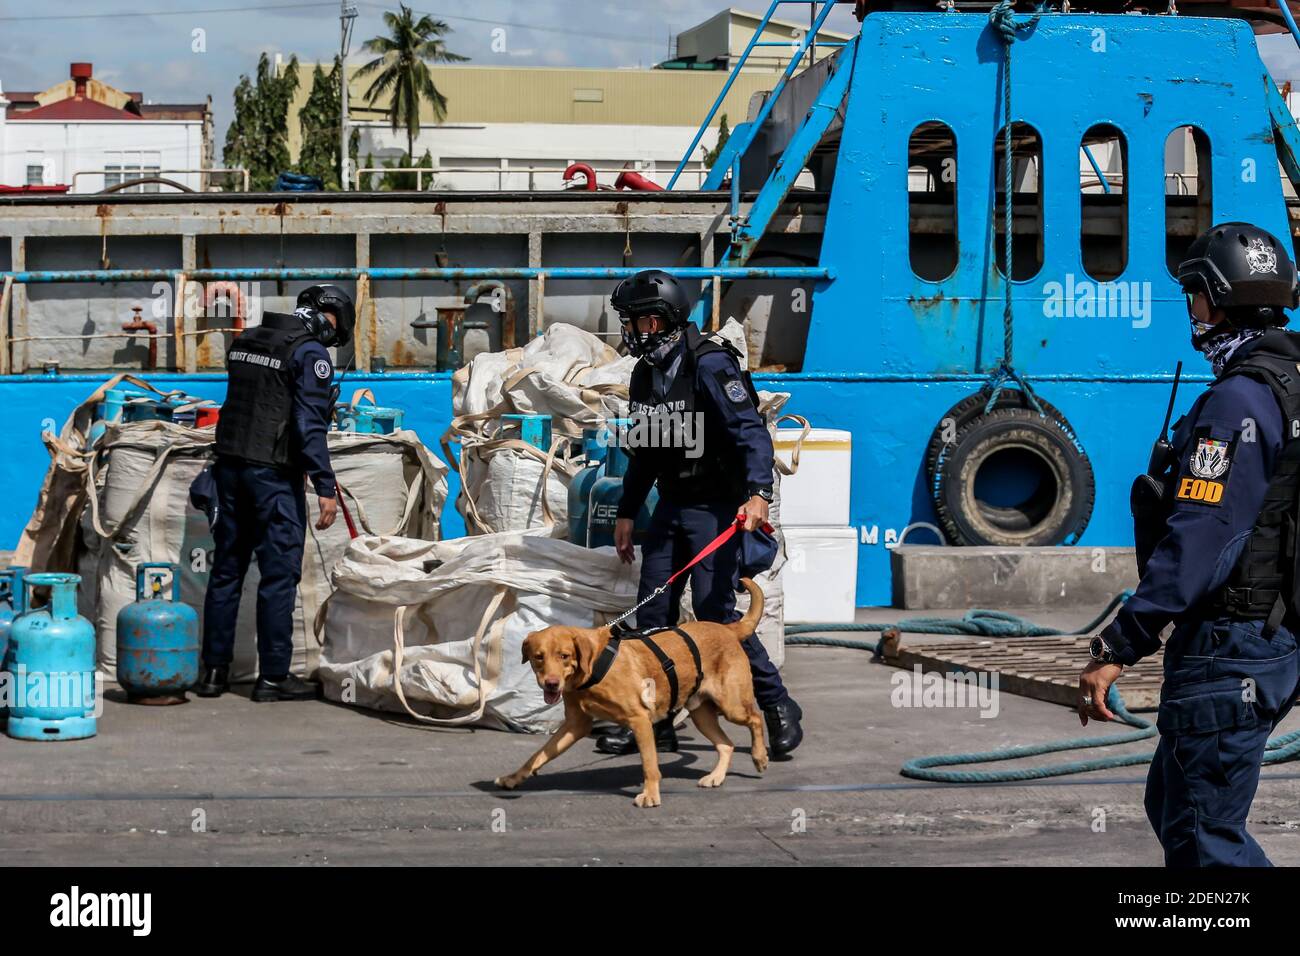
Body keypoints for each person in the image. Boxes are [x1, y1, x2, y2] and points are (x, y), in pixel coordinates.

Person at [1078, 222, 1300, 866]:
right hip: (1275, 640)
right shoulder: (1290, 386)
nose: (1192, 313)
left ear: (1218, 301)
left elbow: (1202, 538)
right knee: (1177, 805)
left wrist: (1120, 643)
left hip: (1229, 648)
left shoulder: (1237, 402)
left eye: (1195, 297)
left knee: (1205, 836)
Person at [596, 269, 804, 758]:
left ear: (665, 320)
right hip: (671, 504)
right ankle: (654, 717)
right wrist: (628, 511)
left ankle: (776, 706)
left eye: (640, 322)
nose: (633, 333)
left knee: (715, 617)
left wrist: (759, 493)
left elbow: (750, 432)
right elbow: (646, 450)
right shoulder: (646, 374)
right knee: (652, 615)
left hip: (716, 507)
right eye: (630, 323)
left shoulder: (709, 365)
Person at [195, 285, 355, 702]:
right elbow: (308, 425)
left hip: (228, 470)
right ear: (326, 317)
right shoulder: (309, 354)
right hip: (273, 478)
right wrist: (325, 486)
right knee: (278, 576)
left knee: (226, 572)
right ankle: (273, 678)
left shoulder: (246, 340)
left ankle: (213, 674)